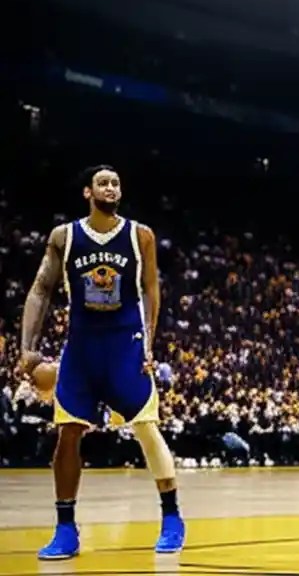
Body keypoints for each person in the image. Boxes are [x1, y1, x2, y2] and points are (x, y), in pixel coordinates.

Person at [17, 165, 186, 559]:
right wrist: (28, 348)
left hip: (125, 344)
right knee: (68, 432)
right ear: (87, 192)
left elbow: (150, 290)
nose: (110, 187)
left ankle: (172, 516)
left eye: (115, 183)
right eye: (103, 183)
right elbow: (41, 289)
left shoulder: (140, 234)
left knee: (146, 426)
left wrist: (150, 342)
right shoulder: (65, 236)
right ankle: (65, 529)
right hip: (82, 347)